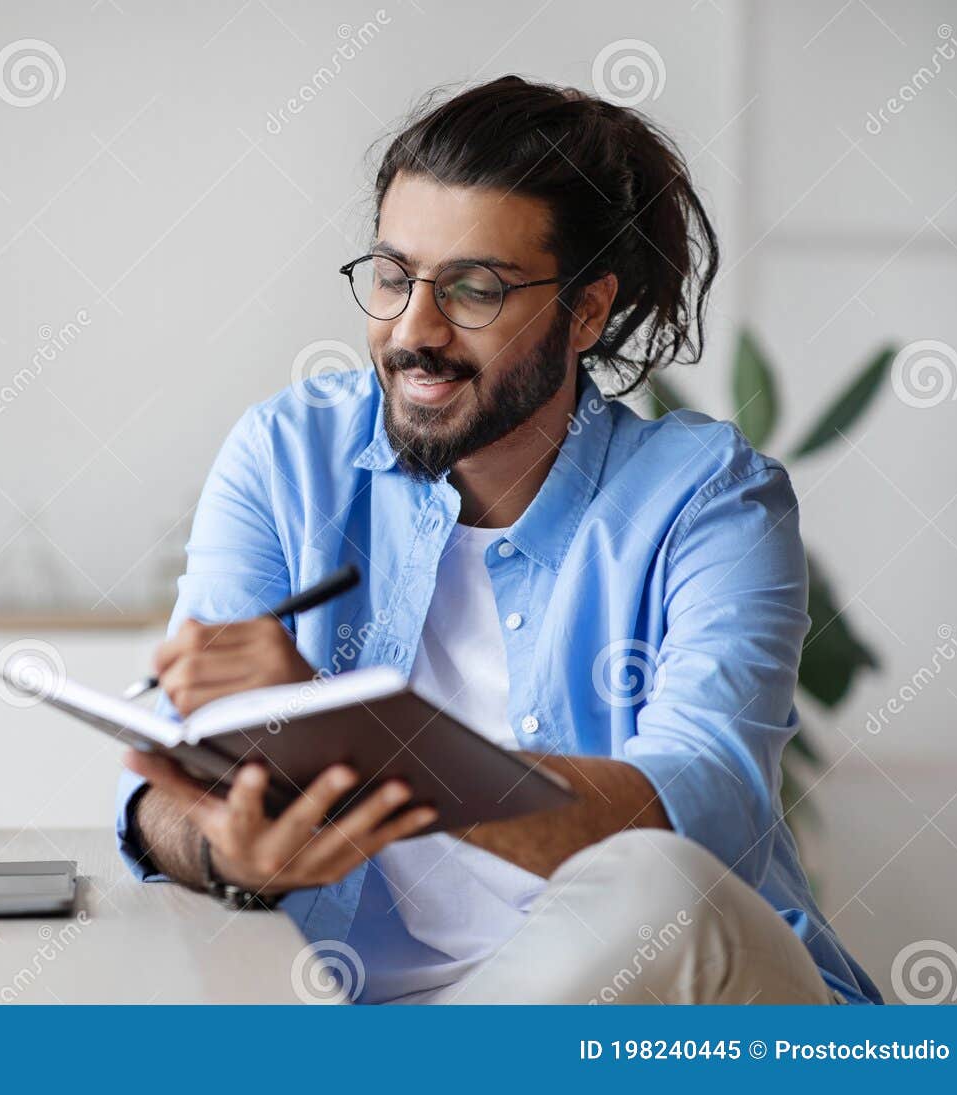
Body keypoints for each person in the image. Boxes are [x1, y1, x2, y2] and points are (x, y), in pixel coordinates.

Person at [113, 75, 880, 1005]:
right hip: (377, 1009)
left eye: (473, 289)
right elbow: (170, 792)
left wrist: (349, 737)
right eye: (392, 276)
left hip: (674, 1000)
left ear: (586, 312)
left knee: (663, 888)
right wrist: (226, 850)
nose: (414, 330)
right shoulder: (288, 457)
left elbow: (695, 818)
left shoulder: (708, 497)